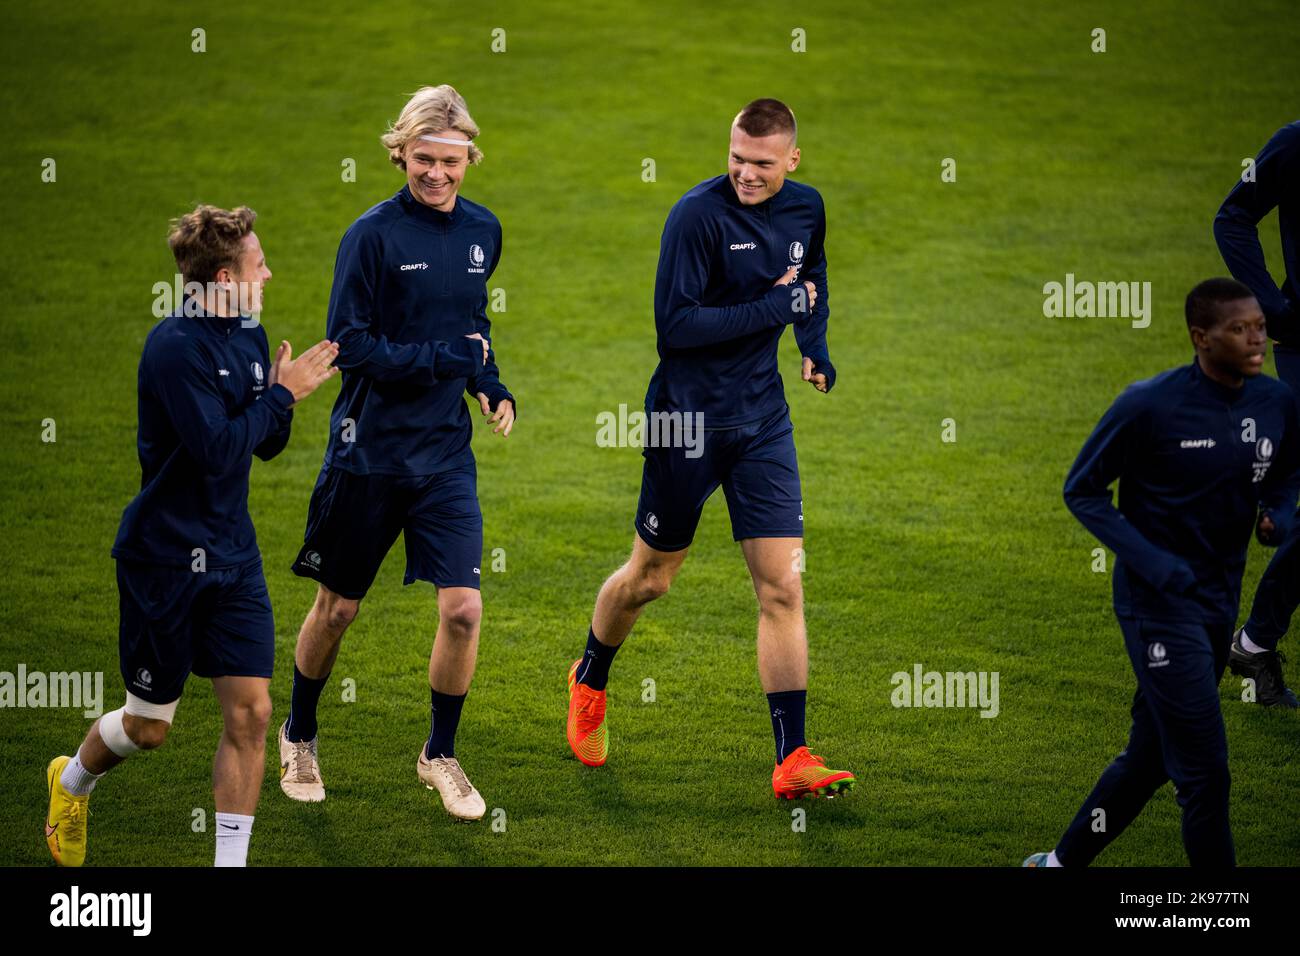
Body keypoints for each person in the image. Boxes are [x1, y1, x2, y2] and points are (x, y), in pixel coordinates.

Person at [566, 98, 854, 800]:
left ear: (791, 159)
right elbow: (677, 328)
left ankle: (792, 758)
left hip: (762, 424)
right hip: (683, 423)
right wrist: (776, 311)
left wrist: (812, 349)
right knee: (650, 579)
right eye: (736, 159)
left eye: (761, 162)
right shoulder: (696, 217)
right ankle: (591, 678)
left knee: (783, 587)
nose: (746, 174)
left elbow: (809, 287)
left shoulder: (806, 209)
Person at [44, 205, 338, 867]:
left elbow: (261, 447)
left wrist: (281, 397)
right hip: (164, 560)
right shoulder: (174, 348)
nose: (270, 274)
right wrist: (281, 397)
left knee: (253, 714)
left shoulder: (249, 334)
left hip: (234, 555)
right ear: (227, 276)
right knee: (149, 728)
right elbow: (214, 449)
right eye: (260, 265)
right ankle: (72, 781)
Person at [281, 85, 515, 821]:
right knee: (339, 608)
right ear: (400, 153)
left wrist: (487, 382)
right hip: (368, 453)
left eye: (449, 160)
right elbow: (348, 345)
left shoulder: (484, 231)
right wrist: (446, 360)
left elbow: (472, 325)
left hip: (444, 456)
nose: (436, 173)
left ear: (469, 157)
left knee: (465, 612)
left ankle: (439, 754)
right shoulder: (372, 235)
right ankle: (299, 734)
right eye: (422, 159)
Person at [1025, 278, 1300, 868]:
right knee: (1206, 775)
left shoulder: (1275, 402)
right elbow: (1084, 491)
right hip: (1156, 607)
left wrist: (1276, 513)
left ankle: (1057, 864)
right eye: (1239, 329)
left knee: (1150, 758)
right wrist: (1153, 561)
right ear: (1201, 338)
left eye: (1258, 325)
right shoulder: (1149, 405)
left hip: (1218, 603)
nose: (1257, 337)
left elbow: (1286, 472)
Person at [1214, 120, 1300, 706]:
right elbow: (1233, 216)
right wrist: (1271, 304)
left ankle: (1253, 641)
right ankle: (1254, 638)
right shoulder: (1294, 146)